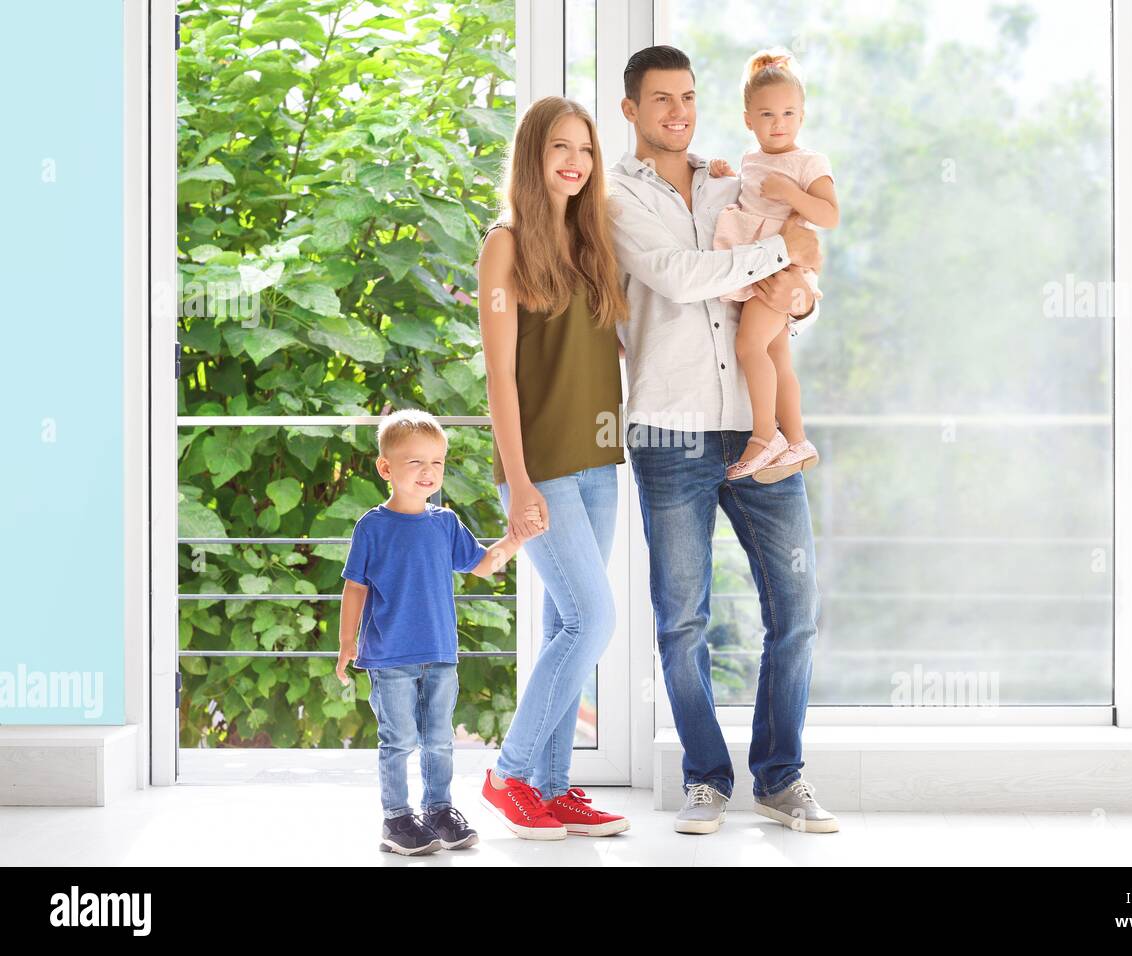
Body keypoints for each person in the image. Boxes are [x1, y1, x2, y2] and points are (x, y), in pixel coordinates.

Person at [609, 45, 839, 834]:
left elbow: (800, 271)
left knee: (796, 610)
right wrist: (783, 254)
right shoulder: (615, 196)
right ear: (631, 110)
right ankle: (705, 777)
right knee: (682, 622)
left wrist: (799, 295)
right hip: (669, 428)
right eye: (661, 99)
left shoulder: (730, 177)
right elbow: (679, 276)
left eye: (688, 97)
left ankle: (781, 776)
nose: (678, 111)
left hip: (755, 424)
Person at [476, 95, 632, 839]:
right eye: (560, 148)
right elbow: (499, 377)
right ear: (533, 155)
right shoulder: (504, 246)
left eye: (587, 149)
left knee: (565, 625)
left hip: (599, 461)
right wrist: (518, 482)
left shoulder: (594, 243)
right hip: (541, 469)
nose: (576, 162)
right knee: (593, 619)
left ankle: (552, 787)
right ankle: (507, 774)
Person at [335, 408, 535, 855]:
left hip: (441, 654)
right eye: (416, 462)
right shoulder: (372, 527)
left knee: (440, 740)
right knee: (398, 740)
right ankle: (396, 819)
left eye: (437, 462)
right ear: (386, 468)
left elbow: (483, 565)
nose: (429, 471)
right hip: (389, 658)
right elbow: (354, 587)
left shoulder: (445, 523)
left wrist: (516, 539)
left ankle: (439, 810)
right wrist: (347, 641)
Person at [708, 46, 838, 482]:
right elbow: (751, 201)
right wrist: (728, 177)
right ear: (748, 119)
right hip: (758, 261)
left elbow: (829, 215)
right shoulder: (751, 158)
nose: (778, 123)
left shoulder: (809, 162)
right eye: (767, 115)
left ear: (802, 116)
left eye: (787, 114)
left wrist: (793, 194)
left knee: (749, 347)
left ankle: (765, 435)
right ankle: (796, 438)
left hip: (781, 271)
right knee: (777, 355)